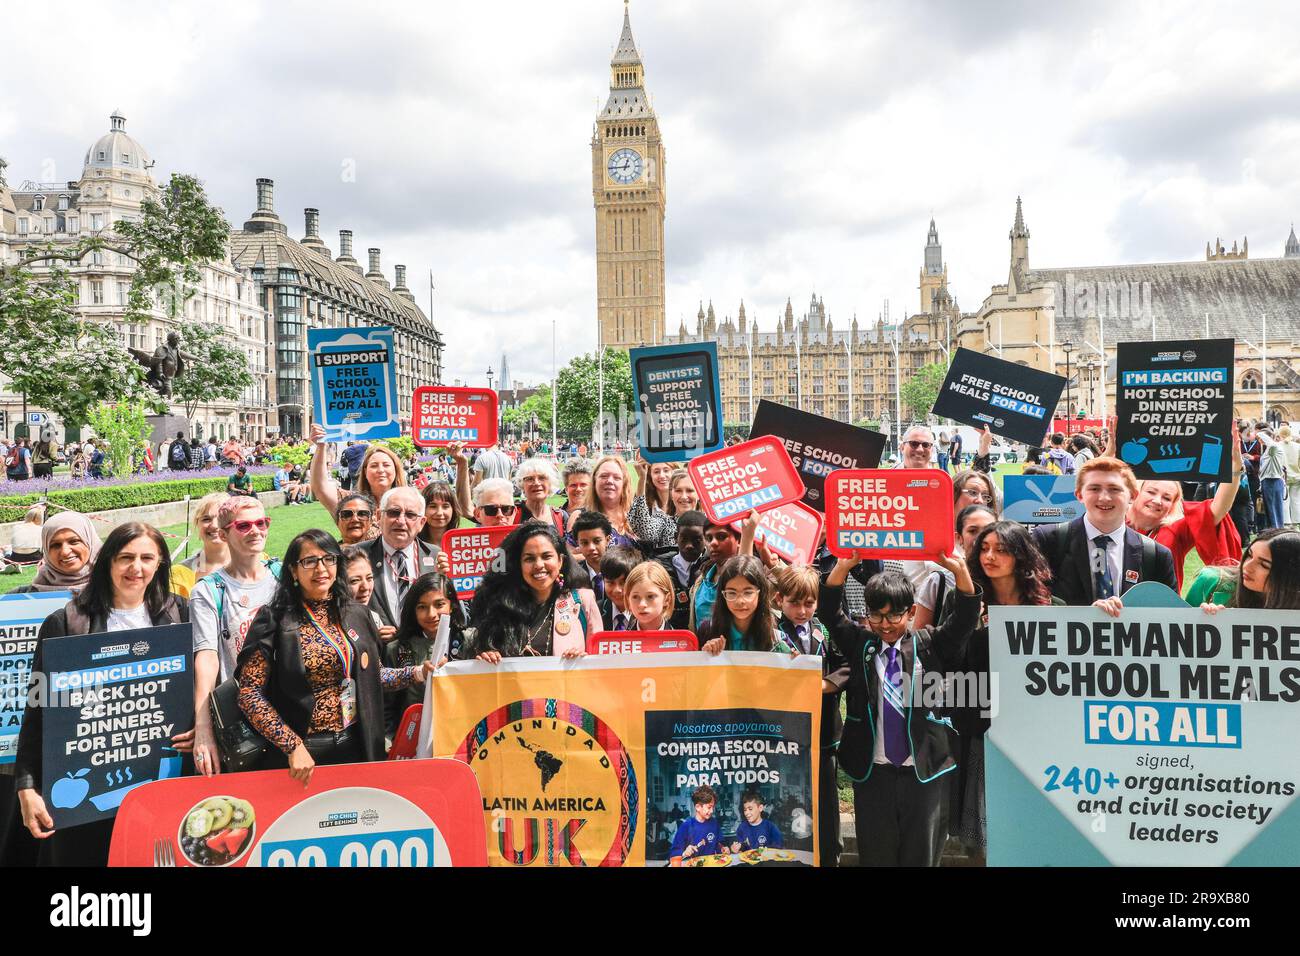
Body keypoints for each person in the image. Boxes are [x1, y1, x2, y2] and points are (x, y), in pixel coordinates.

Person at [15, 523, 191, 865]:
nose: (136, 568)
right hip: (84, 792)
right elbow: (39, 708)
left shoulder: (180, 613)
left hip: (159, 786)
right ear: (107, 560)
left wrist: (199, 728)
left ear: (160, 564)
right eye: (125, 557)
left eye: (146, 558)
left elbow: (199, 689)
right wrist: (26, 785)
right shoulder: (66, 621)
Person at [818, 551, 980, 867]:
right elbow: (829, 613)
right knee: (877, 855)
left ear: (911, 612)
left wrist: (960, 571)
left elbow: (963, 620)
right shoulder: (861, 644)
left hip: (922, 771)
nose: (885, 624)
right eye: (876, 615)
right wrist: (843, 566)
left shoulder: (929, 643)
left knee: (919, 856)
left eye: (894, 616)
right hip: (873, 771)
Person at [236, 530, 434, 781]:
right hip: (302, 754)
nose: (321, 568)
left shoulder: (357, 614)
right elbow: (249, 694)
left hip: (356, 745)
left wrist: (417, 672)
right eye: (309, 561)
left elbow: (372, 676)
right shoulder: (274, 620)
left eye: (329, 559)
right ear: (293, 571)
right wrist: (291, 745)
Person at [940, 521, 1058, 859]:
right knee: (981, 832)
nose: (990, 556)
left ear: (1021, 556)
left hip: (1031, 732)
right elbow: (948, 658)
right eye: (985, 548)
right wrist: (967, 619)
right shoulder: (963, 599)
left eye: (1001, 549)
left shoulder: (1049, 605)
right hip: (979, 728)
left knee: (1025, 825)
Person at [190, 497, 281, 777]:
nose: (256, 530)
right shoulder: (209, 590)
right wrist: (203, 728)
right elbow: (207, 659)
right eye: (244, 525)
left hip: (288, 711)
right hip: (241, 720)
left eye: (261, 522)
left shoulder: (283, 576)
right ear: (225, 531)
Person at [772, 563, 847, 866]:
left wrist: (825, 685)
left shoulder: (825, 629)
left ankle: (831, 854)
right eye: (794, 603)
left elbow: (846, 664)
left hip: (824, 733)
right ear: (779, 600)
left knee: (826, 803)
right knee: (789, 800)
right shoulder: (773, 632)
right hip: (787, 736)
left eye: (809, 603)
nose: (802, 610)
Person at [1031, 457, 1177, 606]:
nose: (1104, 497)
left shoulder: (1156, 555)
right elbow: (1028, 601)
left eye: (1115, 489)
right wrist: (1089, 616)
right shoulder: (1048, 540)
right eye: (1094, 489)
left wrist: (1200, 616)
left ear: (1133, 495)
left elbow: (1171, 615)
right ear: (1079, 495)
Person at [1122, 423, 1244, 592]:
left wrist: (1235, 468)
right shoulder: (1115, 521)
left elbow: (1218, 508)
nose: (1157, 501)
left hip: (1165, 608)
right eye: (1151, 492)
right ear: (1136, 493)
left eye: (1167, 498)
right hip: (1117, 608)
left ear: (1173, 505)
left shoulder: (1177, 528)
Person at [462, 524, 601, 660]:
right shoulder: (498, 607)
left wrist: (583, 661)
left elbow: (601, 663)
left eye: (546, 556)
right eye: (529, 559)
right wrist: (484, 657)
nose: (539, 565)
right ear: (518, 565)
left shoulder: (583, 600)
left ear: (560, 561)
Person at [384, 573, 467, 733]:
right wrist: (391, 745)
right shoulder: (397, 649)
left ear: (452, 605)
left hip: (460, 735)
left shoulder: (469, 641)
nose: (431, 614)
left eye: (439, 604)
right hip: (413, 738)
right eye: (422, 607)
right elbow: (387, 707)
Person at [363, 487, 442, 629]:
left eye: (410, 515)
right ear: (379, 516)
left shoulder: (438, 556)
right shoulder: (357, 555)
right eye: (394, 513)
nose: (400, 521)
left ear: (422, 523)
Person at [913, 504, 997, 629]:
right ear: (959, 538)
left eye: (988, 530)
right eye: (973, 531)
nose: (981, 537)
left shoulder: (1009, 580)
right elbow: (919, 639)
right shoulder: (939, 581)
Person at [308, 423, 407, 527]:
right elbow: (321, 488)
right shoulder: (350, 502)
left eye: (386, 465)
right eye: (374, 466)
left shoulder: (410, 502)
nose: (380, 470)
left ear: (396, 470)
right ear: (365, 471)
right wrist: (321, 446)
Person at [698, 555, 791, 654]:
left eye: (748, 593)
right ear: (722, 595)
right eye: (731, 593)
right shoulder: (708, 631)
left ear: (761, 593)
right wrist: (706, 655)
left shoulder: (777, 640)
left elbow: (796, 666)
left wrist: (793, 659)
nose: (740, 601)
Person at [1190, 528, 1300, 611]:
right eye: (1249, 555)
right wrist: (1203, 620)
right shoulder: (1211, 580)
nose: (1247, 566)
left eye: (1264, 565)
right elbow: (1179, 632)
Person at [572, 456, 640, 550]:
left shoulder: (636, 515)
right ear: (595, 480)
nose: (609, 481)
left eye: (616, 478)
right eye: (604, 476)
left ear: (624, 483)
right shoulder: (579, 517)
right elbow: (570, 558)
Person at [170, 492, 230, 598]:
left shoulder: (257, 561)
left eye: (221, 517)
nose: (215, 525)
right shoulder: (179, 575)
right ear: (197, 524)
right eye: (206, 519)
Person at [657, 510, 707, 629]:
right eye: (684, 539)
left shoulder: (711, 567)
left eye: (697, 540)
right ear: (675, 538)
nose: (689, 545)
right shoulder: (659, 568)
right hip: (669, 636)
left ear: (706, 539)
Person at [670, 785, 724, 863]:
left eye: (713, 807)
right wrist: (684, 852)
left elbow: (719, 845)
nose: (712, 811)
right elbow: (673, 853)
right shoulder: (686, 826)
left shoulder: (714, 823)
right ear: (698, 807)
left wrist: (723, 848)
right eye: (709, 807)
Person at [595, 545, 639, 631]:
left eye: (623, 583)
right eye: (610, 583)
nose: (617, 590)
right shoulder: (596, 611)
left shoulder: (646, 612)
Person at [516, 458, 567, 534]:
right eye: (530, 479)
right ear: (522, 485)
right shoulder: (513, 515)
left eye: (542, 478)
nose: (536, 483)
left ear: (550, 484)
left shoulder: (561, 516)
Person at [623, 560, 674, 631]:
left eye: (650, 596)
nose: (642, 604)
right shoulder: (623, 640)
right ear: (628, 600)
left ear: (667, 599)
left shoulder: (680, 640)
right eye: (635, 597)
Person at [572, 510, 613, 597]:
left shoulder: (620, 570)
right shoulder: (573, 576)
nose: (591, 548)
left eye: (597, 541)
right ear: (578, 543)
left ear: (608, 540)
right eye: (584, 543)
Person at [1258, 427, 1288, 531]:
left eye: (1261, 437)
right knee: (1270, 510)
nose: (1259, 440)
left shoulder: (1274, 447)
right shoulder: (1269, 449)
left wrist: (1257, 432)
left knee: (1274, 510)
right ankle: (1274, 532)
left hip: (1273, 481)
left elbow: (1270, 442)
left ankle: (1276, 532)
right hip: (1268, 481)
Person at [418, 481, 463, 548]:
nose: (439, 513)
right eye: (433, 506)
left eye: (445, 506)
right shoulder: (412, 543)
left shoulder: (463, 542)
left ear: (453, 509)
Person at [1279, 425, 1300, 529]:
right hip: (1297, 476)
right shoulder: (1298, 446)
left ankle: (1287, 522)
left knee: (1285, 500)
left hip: (1284, 476)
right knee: (1296, 499)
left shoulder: (1278, 445)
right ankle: (1297, 521)